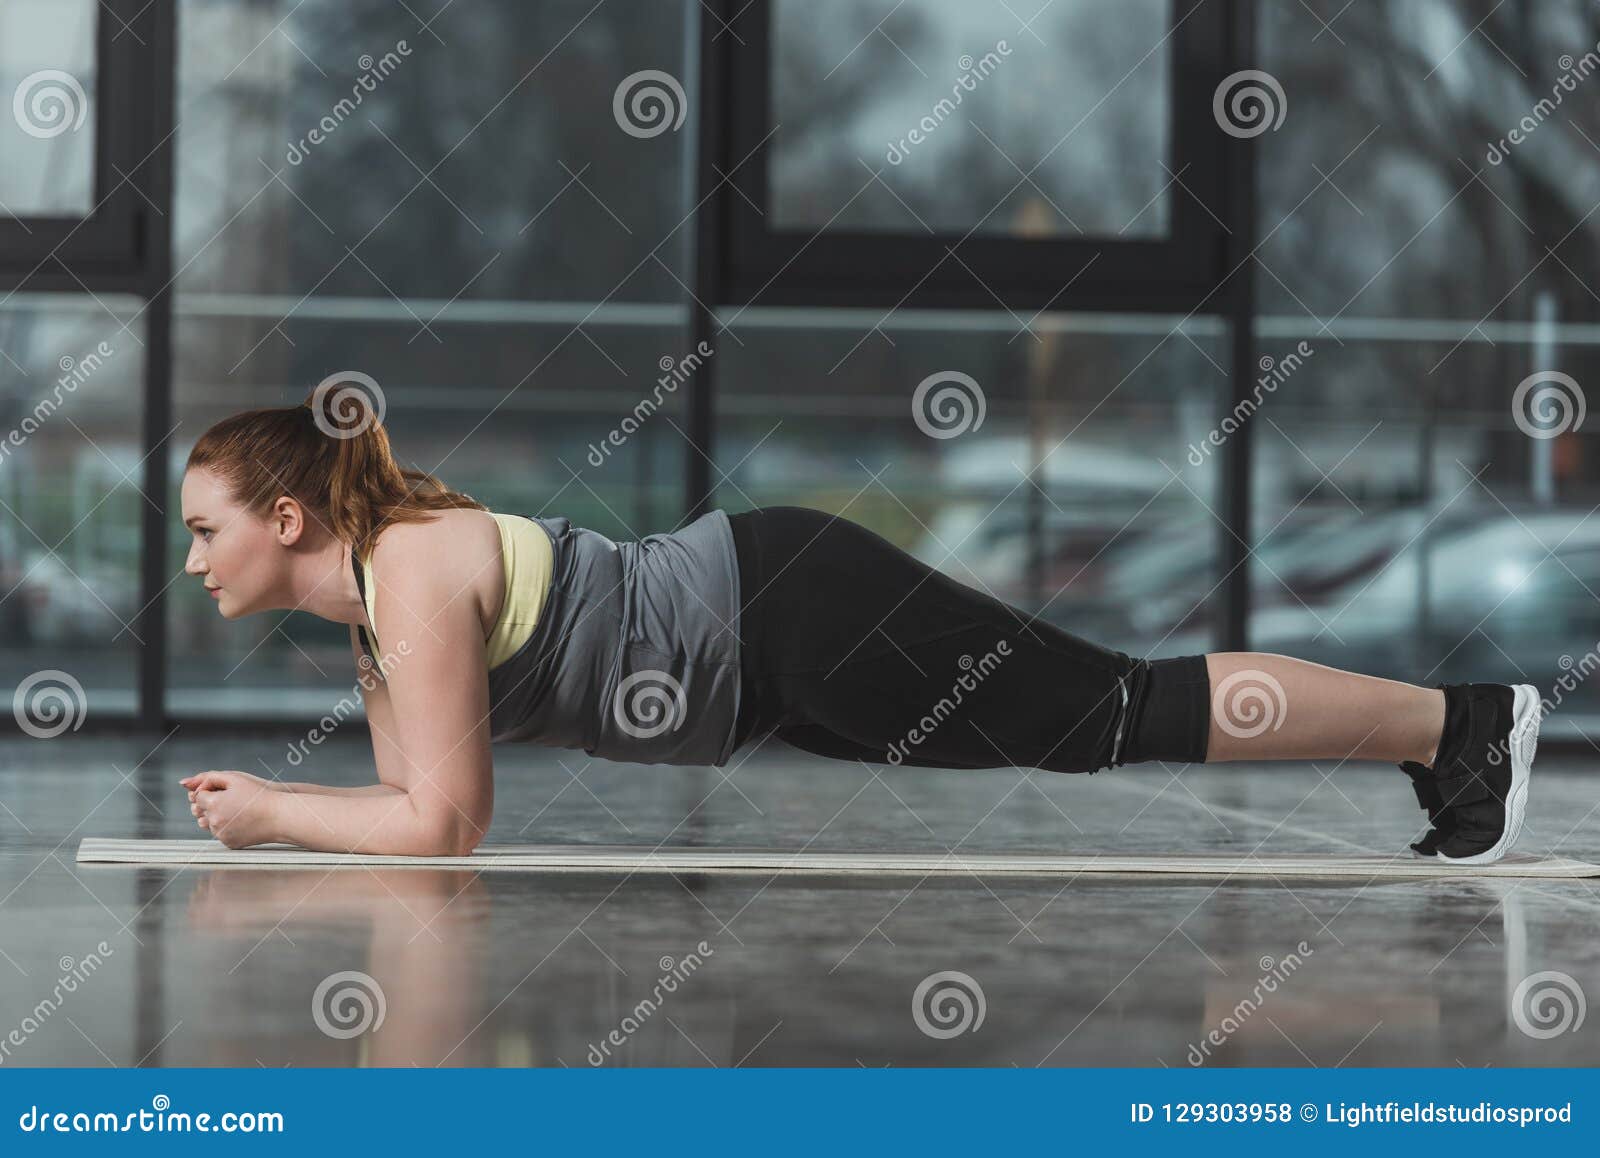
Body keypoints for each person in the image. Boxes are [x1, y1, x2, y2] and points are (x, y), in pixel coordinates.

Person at [178, 387, 1539, 863]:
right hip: (768, 676)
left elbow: (444, 824)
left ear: (287, 517)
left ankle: (1462, 725)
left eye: (203, 527)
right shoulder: (373, 622)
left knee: (1122, 708)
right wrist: (296, 809)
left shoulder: (408, 566)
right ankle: (1448, 734)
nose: (193, 560)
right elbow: (417, 803)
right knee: (1104, 723)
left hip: (786, 613)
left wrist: (277, 814)